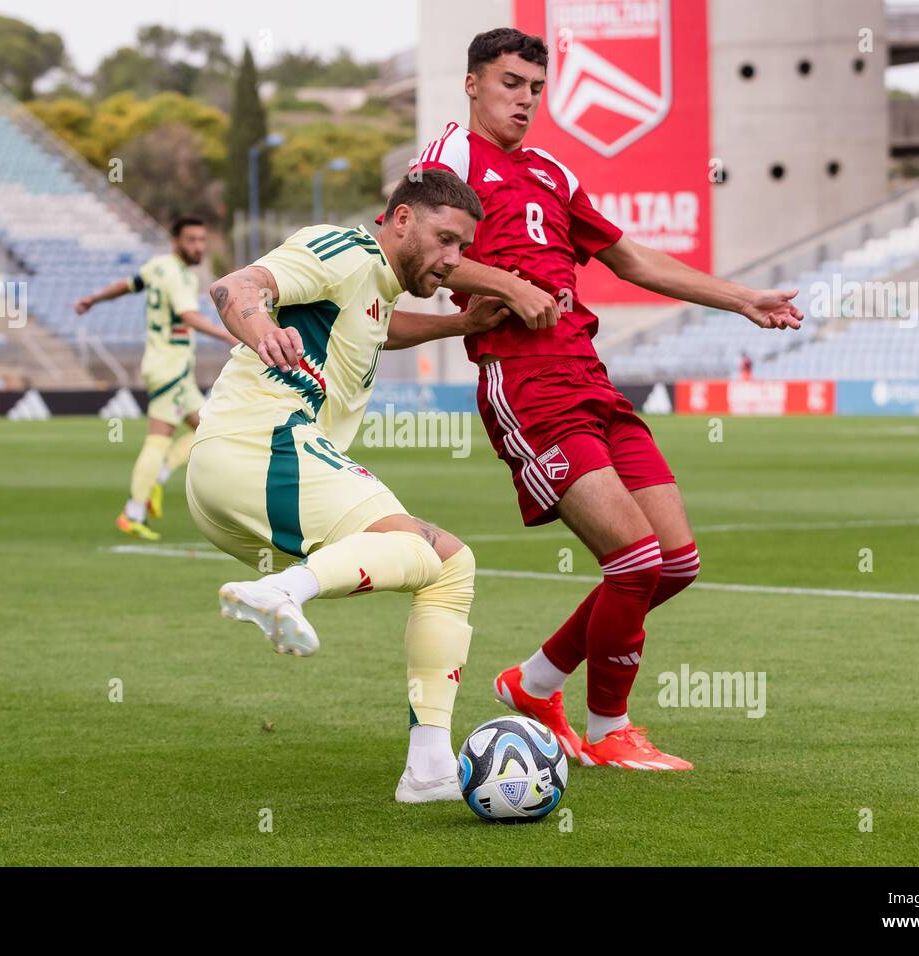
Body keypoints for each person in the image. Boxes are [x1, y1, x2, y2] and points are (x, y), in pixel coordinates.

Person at [409, 28, 803, 770]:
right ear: (471, 83)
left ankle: (534, 683)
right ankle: (608, 730)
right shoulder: (450, 160)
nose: (524, 99)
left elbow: (631, 259)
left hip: (589, 373)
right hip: (523, 379)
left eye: (534, 86)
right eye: (508, 83)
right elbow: (423, 257)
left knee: (675, 562)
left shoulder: (553, 170)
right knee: (633, 558)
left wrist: (741, 297)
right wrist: (509, 286)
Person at [190, 170, 510, 802]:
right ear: (400, 220)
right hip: (266, 442)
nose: (453, 261)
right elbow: (233, 287)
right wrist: (262, 330)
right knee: (426, 553)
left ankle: (430, 770)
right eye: (445, 239)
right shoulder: (345, 250)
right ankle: (281, 591)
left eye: (463, 249)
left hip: (236, 477)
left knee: (450, 566)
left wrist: (455, 327)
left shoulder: (373, 289)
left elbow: (373, 330)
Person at [74, 215, 238, 540]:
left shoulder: (157, 266)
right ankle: (133, 511)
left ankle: (158, 478)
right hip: (170, 368)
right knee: (159, 440)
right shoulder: (178, 276)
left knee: (211, 431)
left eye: (202, 240)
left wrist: (94, 298)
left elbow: (127, 285)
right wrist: (230, 336)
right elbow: (187, 316)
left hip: (171, 368)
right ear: (176, 241)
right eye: (191, 239)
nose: (198, 246)